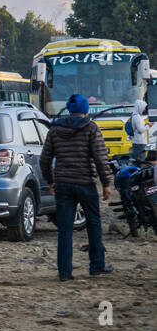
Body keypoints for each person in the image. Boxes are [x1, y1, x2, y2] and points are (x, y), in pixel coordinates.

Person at [42, 93, 113, 281]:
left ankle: (64, 272)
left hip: (63, 184)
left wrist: (50, 180)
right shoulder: (91, 128)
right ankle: (97, 265)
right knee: (94, 224)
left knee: (64, 229)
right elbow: (100, 157)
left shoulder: (55, 130)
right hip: (86, 183)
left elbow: (45, 159)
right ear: (85, 111)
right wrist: (106, 183)